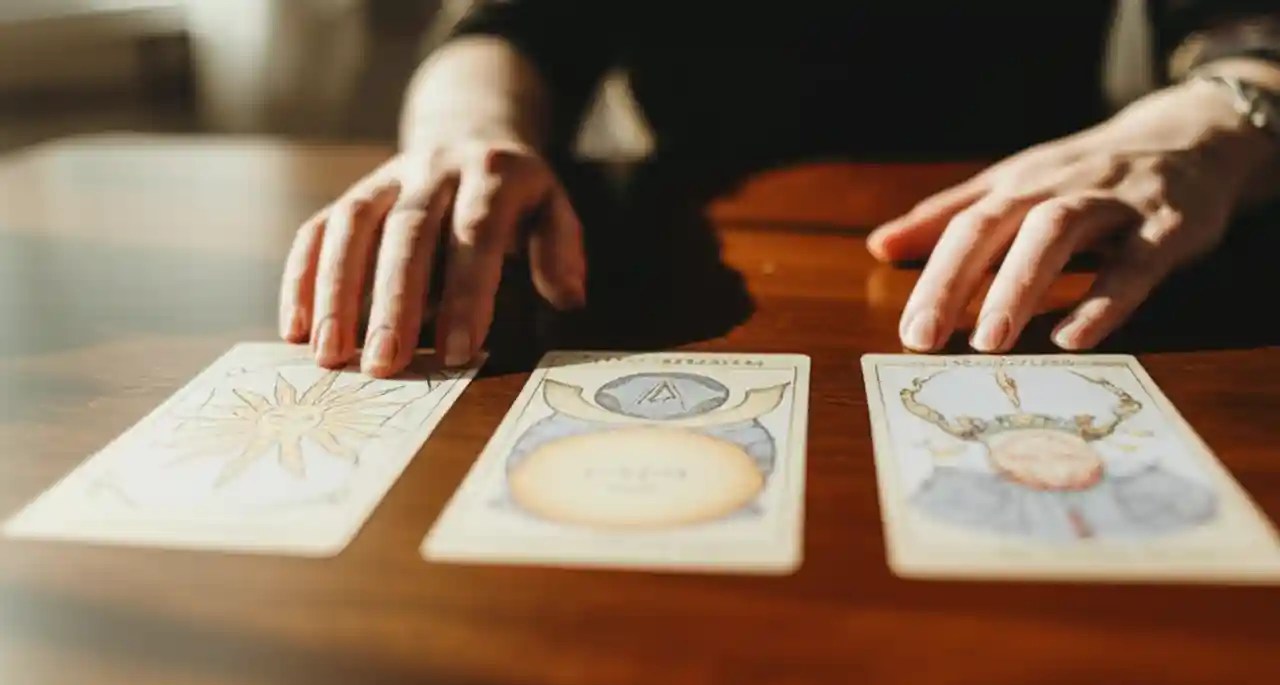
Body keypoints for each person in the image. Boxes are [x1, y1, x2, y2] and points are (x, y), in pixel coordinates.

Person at [276, 1, 1280, 378]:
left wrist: (1217, 118)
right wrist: (466, 133)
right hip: (666, 247)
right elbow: (506, 27)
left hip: (1044, 247)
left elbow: (1245, 30)